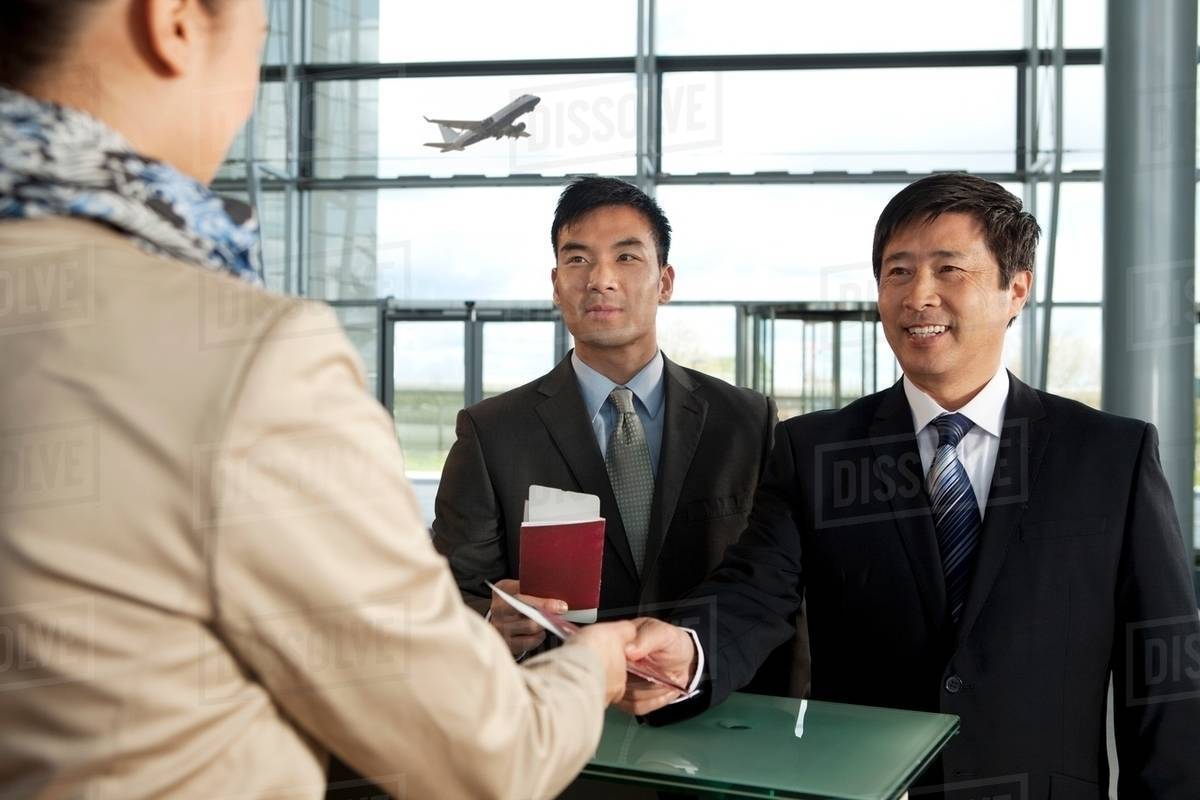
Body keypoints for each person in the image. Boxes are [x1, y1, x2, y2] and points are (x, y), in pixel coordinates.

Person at [0, 2, 639, 798]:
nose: (247, 95)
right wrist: (594, 667)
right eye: (258, 48)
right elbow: (486, 758)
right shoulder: (243, 357)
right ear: (172, 23)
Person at [620, 174, 1200, 799]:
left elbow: (1161, 671)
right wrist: (689, 646)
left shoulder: (1109, 455)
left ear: (1017, 289)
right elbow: (755, 591)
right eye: (897, 272)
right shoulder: (817, 451)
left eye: (949, 269)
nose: (919, 296)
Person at [431, 176, 805, 695]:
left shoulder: (746, 421)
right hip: (565, 730)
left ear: (666, 281)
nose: (600, 279)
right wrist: (493, 626)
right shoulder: (492, 432)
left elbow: (780, 584)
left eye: (627, 258)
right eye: (578, 259)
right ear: (557, 283)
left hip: (722, 718)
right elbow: (449, 597)